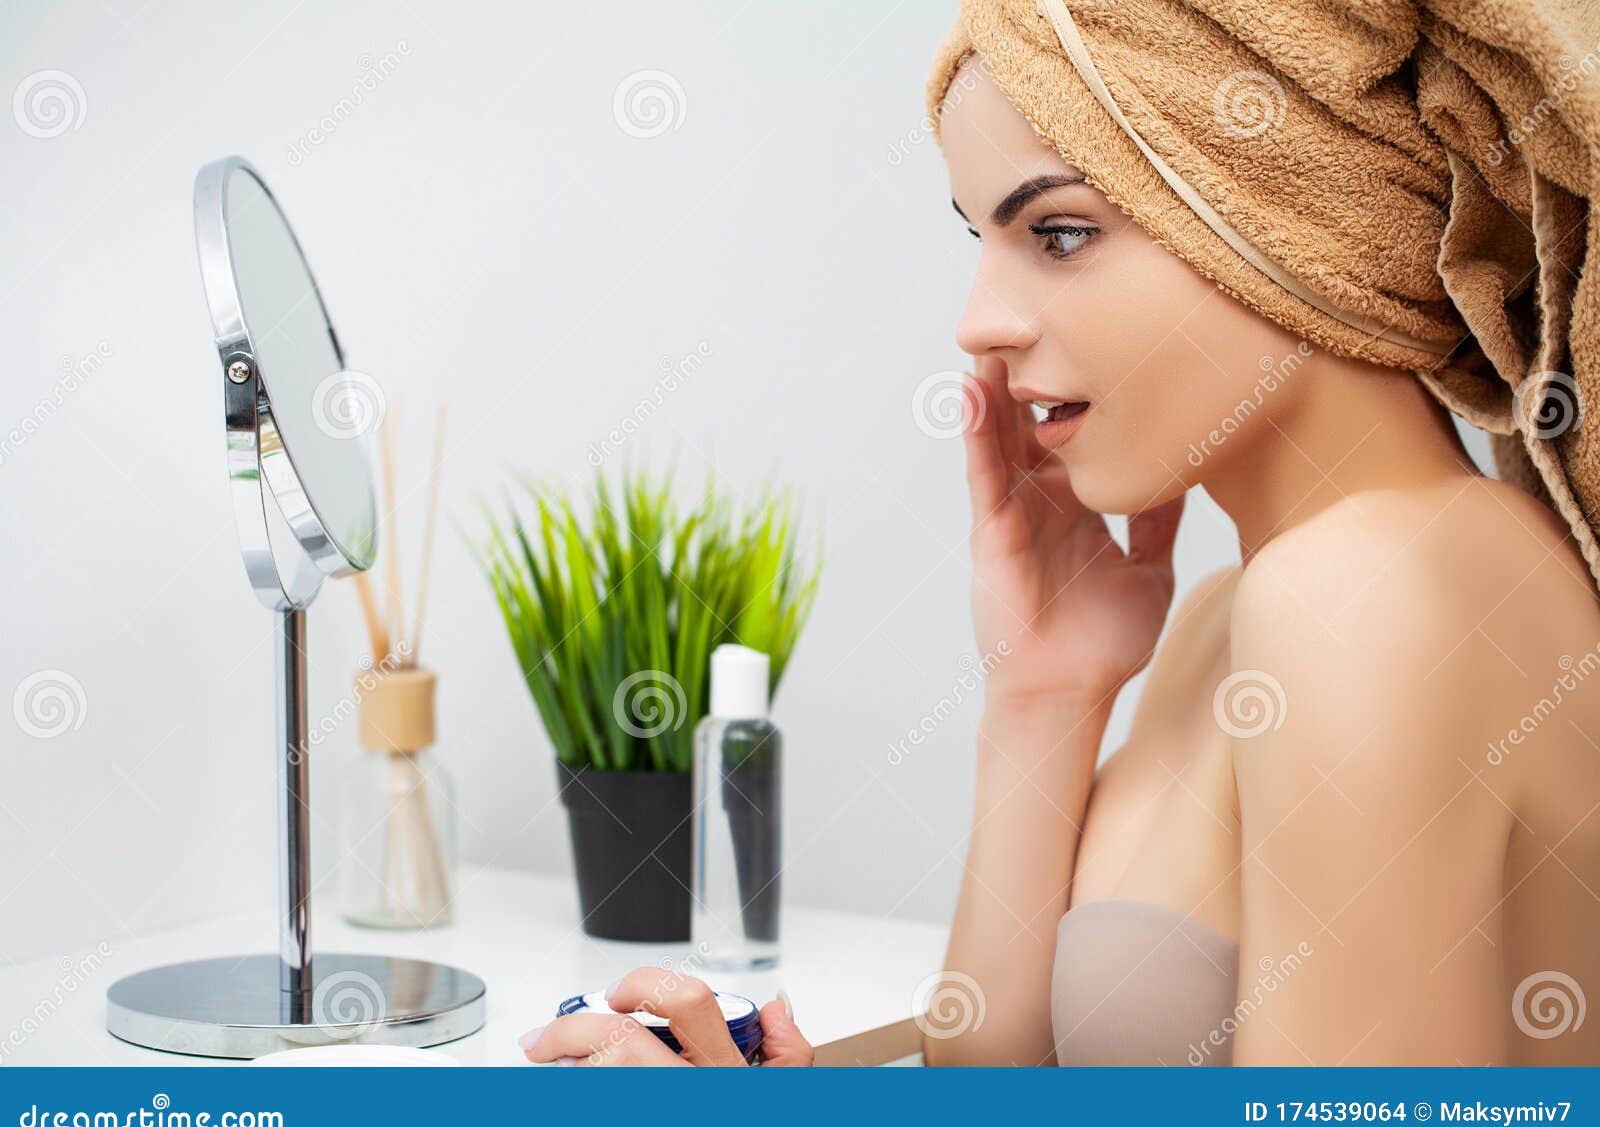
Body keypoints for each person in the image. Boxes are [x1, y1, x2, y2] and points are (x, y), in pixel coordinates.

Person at [521, 0, 1600, 1066]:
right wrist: (1044, 689)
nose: (979, 319)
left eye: (1061, 232)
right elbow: (989, 1082)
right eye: (983, 239)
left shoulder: (1370, 593)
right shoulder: (1237, 609)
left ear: (1289, 228)